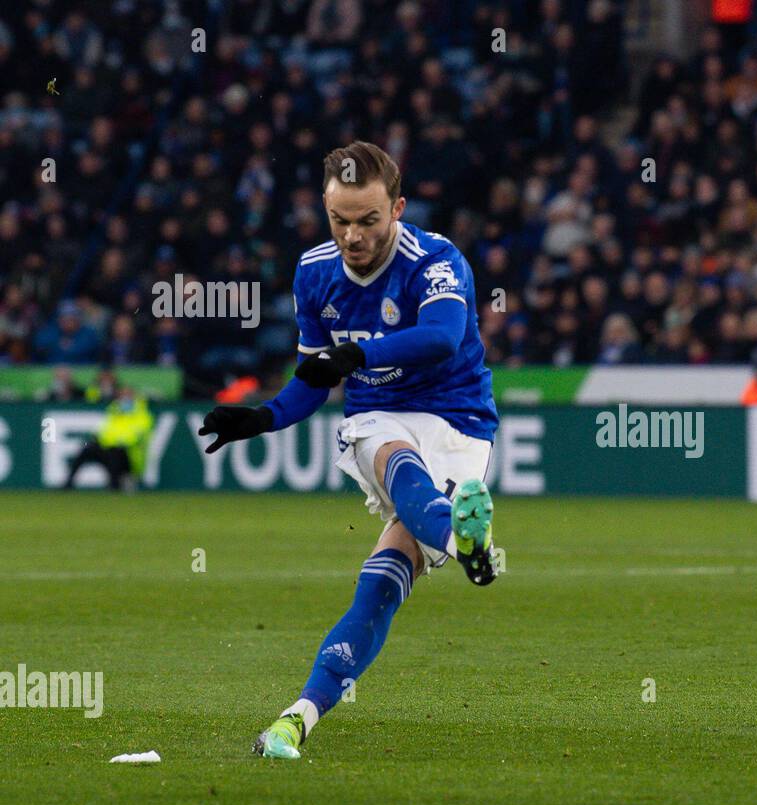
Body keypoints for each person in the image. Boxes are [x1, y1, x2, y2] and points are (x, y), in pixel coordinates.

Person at [196, 142, 500, 759]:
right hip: (377, 415)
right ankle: (294, 721)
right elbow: (314, 379)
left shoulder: (437, 259)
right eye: (340, 221)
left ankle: (458, 540)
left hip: (459, 420)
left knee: (380, 588)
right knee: (393, 457)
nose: (353, 236)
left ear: (398, 209)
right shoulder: (314, 272)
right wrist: (263, 416)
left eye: (368, 220)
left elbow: (442, 338)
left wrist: (358, 354)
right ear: (325, 211)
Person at [62, 385, 153, 491]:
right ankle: (68, 484)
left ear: (134, 397)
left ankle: (115, 485)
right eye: (122, 396)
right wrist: (98, 439)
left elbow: (138, 437)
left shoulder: (142, 415)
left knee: (115, 453)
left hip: (129, 455)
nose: (124, 399)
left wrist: (116, 442)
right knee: (87, 450)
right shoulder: (114, 412)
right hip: (109, 448)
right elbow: (105, 432)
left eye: (128, 396)